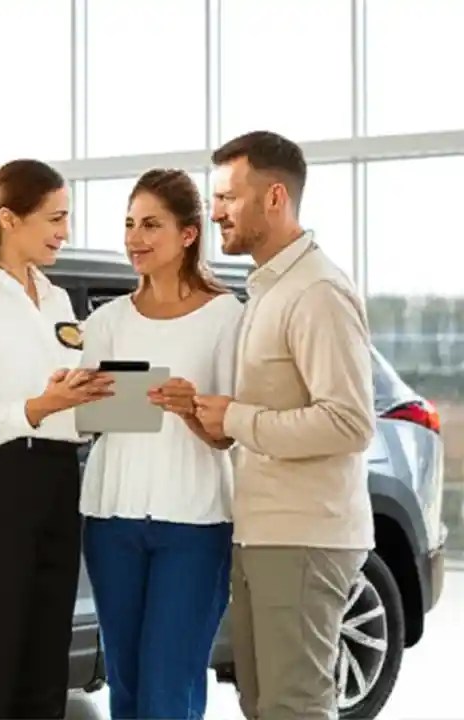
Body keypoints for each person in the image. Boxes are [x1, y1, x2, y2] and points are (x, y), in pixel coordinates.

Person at [192, 131, 376, 720]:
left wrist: (240, 418)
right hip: (264, 532)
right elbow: (277, 414)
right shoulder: (269, 289)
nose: (215, 210)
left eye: (227, 196)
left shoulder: (316, 291)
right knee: (261, 705)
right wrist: (223, 427)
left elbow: (349, 422)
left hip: (303, 538)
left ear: (275, 197)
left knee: (292, 709)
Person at [0, 158, 115, 719]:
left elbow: (69, 409)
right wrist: (42, 406)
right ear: (10, 219)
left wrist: (100, 398)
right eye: (55, 218)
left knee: (46, 669)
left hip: (61, 483)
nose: (65, 231)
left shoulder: (58, 301)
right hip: (2, 488)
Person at [77, 169, 244, 719]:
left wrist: (193, 409)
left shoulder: (226, 318)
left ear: (189, 234)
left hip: (194, 523)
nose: (134, 238)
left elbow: (232, 432)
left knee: (168, 690)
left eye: (151, 224)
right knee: (126, 685)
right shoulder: (105, 323)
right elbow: (83, 423)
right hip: (110, 518)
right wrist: (75, 399)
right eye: (129, 224)